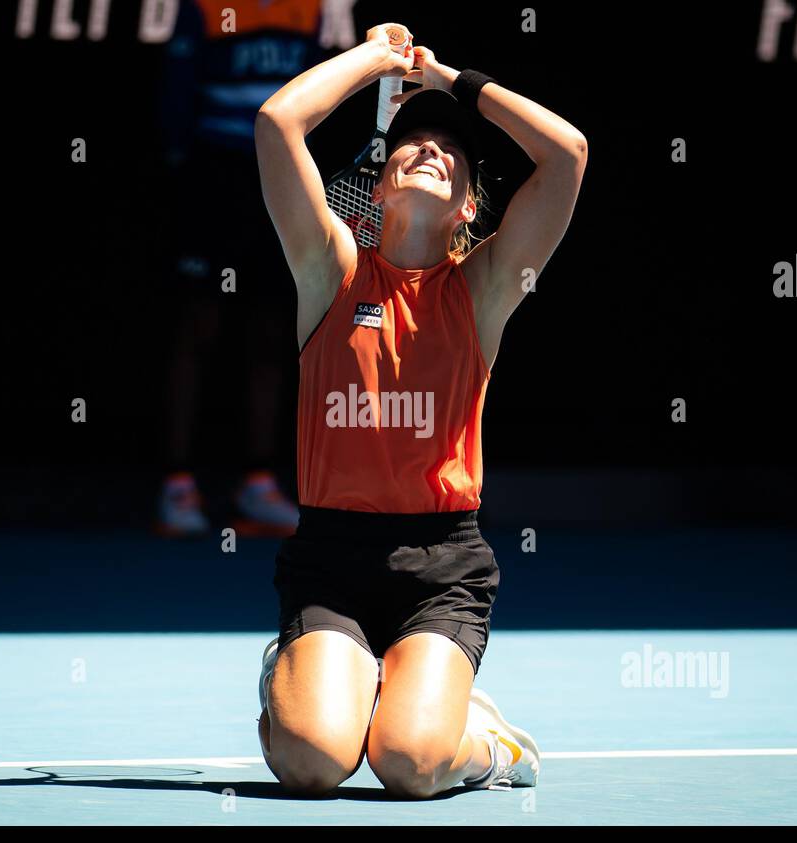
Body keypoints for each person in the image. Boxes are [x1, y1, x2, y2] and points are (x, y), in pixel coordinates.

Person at [253, 23, 586, 797]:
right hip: (330, 560)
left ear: (469, 207)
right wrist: (375, 59)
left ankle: (488, 742)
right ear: (376, 188)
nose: (431, 149)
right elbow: (277, 125)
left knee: (409, 764)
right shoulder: (328, 270)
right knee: (312, 762)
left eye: (452, 154)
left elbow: (567, 154)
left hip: (443, 568)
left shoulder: (483, 289)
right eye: (412, 146)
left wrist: (451, 82)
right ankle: (300, 676)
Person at [155, 0, 330, 537]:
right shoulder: (203, 8)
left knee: (273, 331)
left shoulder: (310, 10)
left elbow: (313, 103)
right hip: (215, 185)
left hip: (277, 187)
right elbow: (175, 106)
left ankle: (258, 483)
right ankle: (177, 483)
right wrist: (188, 178)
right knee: (196, 328)